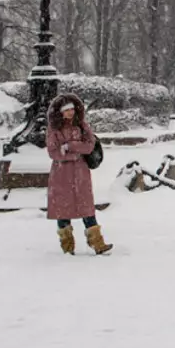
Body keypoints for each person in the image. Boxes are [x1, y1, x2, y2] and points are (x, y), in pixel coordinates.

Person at [46, 93, 112, 255]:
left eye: (72, 109)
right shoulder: (53, 129)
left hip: (81, 173)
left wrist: (70, 146)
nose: (70, 113)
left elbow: (89, 146)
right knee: (63, 210)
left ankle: (97, 243)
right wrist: (72, 153)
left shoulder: (82, 126)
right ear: (60, 112)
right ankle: (67, 246)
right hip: (61, 175)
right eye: (67, 110)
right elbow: (53, 152)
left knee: (87, 208)